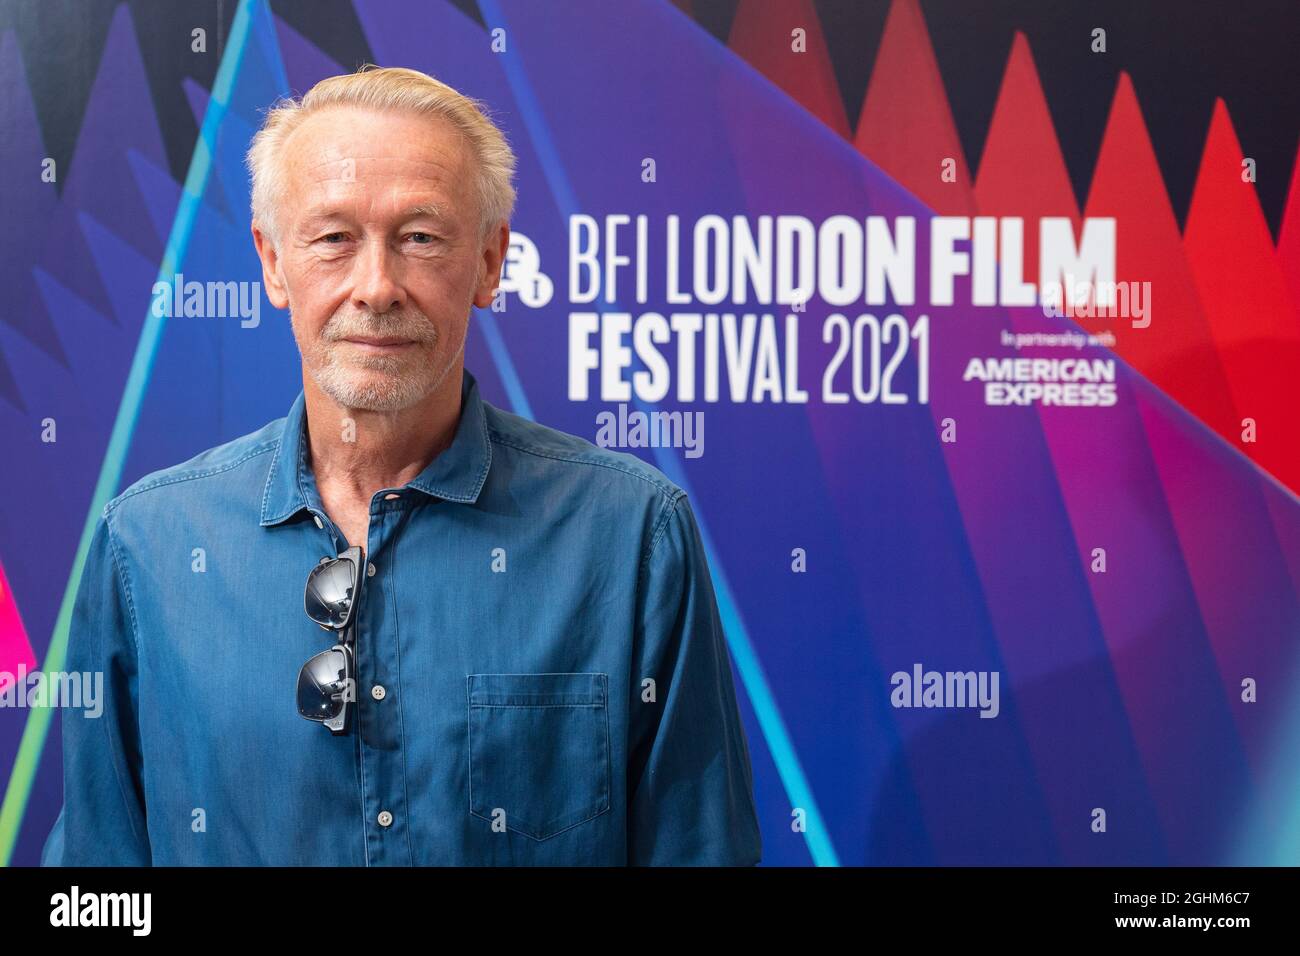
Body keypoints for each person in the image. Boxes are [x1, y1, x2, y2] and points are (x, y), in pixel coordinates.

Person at [40, 65, 761, 866]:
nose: (376, 287)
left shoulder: (630, 536)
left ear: (490, 262)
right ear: (274, 263)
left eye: (420, 237)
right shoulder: (148, 545)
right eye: (333, 238)